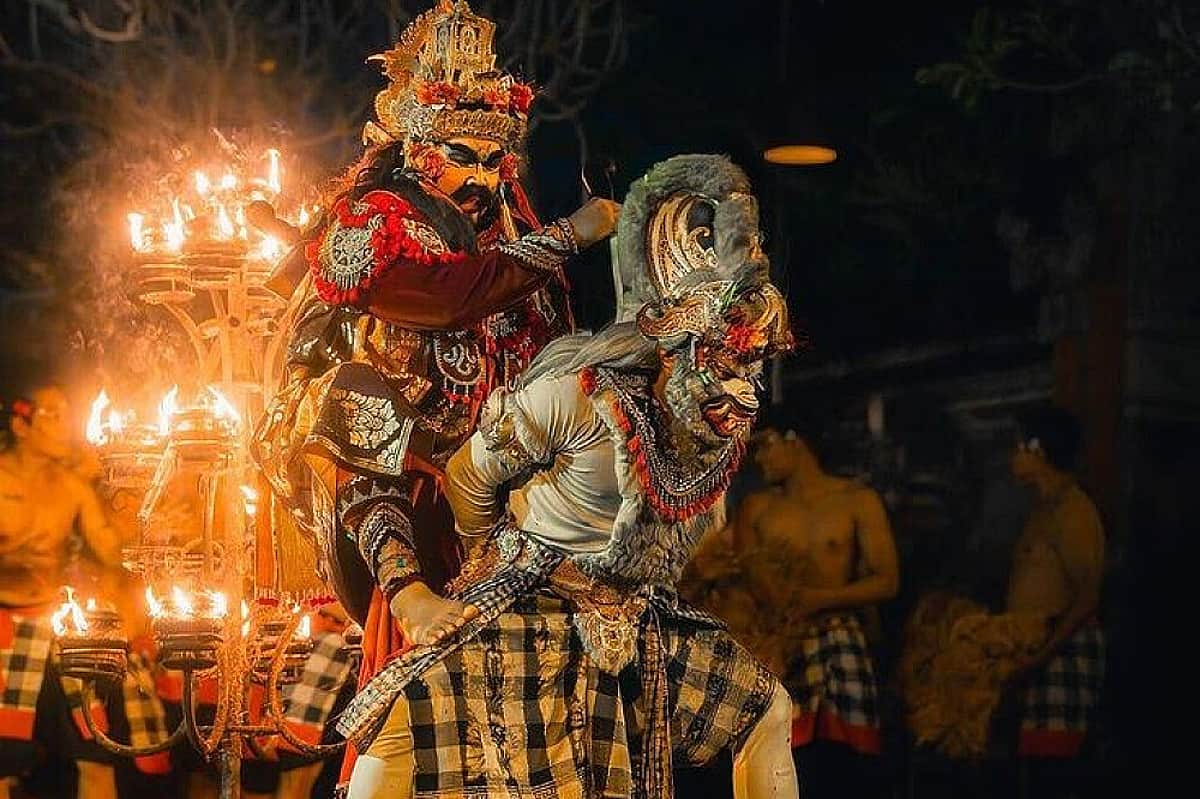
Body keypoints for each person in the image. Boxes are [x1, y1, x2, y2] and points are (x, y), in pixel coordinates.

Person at [334, 154, 799, 799]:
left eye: (751, 370)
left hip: (634, 618)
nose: (742, 394)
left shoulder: (712, 440)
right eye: (722, 364)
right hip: (528, 597)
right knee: (398, 725)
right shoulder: (579, 394)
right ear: (670, 346)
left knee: (767, 709)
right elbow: (471, 476)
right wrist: (497, 559)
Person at [252, 0, 618, 789]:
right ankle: (407, 589)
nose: (483, 178)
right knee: (353, 396)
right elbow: (441, 296)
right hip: (406, 476)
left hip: (508, 483)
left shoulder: (504, 231)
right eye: (463, 157)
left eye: (495, 163)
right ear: (419, 150)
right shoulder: (373, 218)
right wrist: (569, 235)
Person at [728, 423, 899, 797]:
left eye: (765, 446)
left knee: (852, 759)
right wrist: (782, 611)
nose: (758, 458)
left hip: (840, 637)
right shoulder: (756, 508)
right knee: (786, 751)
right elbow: (749, 572)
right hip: (779, 642)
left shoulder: (856, 500)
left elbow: (887, 579)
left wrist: (818, 599)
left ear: (794, 439)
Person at [0, 384, 126, 799]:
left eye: (67, 413)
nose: (64, 425)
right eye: (52, 414)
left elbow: (112, 550)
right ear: (21, 423)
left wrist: (131, 503)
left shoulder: (73, 486)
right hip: (4, 627)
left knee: (95, 752)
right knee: (3, 763)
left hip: (56, 629)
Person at [1006, 407, 1105, 787]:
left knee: (1055, 773)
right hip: (1039, 651)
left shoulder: (1074, 512)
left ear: (1038, 450)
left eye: (1017, 447)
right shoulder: (1043, 511)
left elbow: (1087, 597)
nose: (1012, 457)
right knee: (1034, 768)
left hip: (1062, 653)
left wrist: (1042, 655)